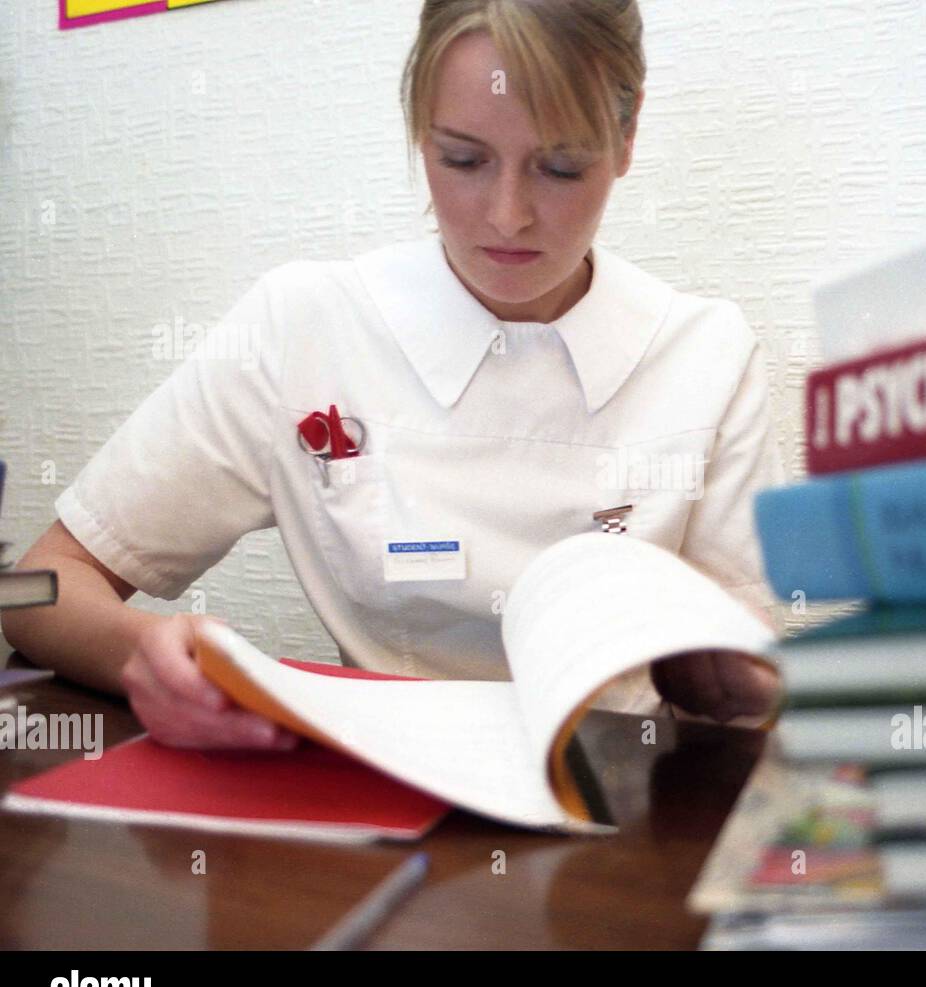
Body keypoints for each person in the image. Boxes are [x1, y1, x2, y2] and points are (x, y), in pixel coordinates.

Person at [2, 0, 784, 751]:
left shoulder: (706, 355)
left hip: (620, 823)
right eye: (464, 159)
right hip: (384, 815)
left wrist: (745, 688)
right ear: (419, 130)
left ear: (626, 135)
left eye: (560, 166)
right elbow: (33, 587)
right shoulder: (304, 325)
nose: (507, 215)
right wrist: (145, 650)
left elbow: (744, 685)